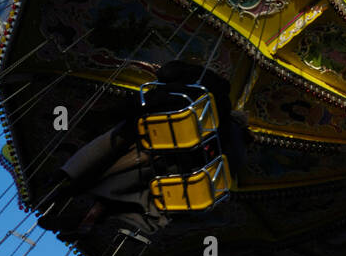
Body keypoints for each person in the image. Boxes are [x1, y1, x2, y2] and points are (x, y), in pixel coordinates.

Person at [40, 62, 249, 238]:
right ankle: (92, 215)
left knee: (116, 142)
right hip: (180, 159)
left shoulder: (196, 82)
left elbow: (165, 76)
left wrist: (157, 71)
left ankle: (67, 179)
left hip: (157, 125)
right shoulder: (225, 123)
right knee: (141, 181)